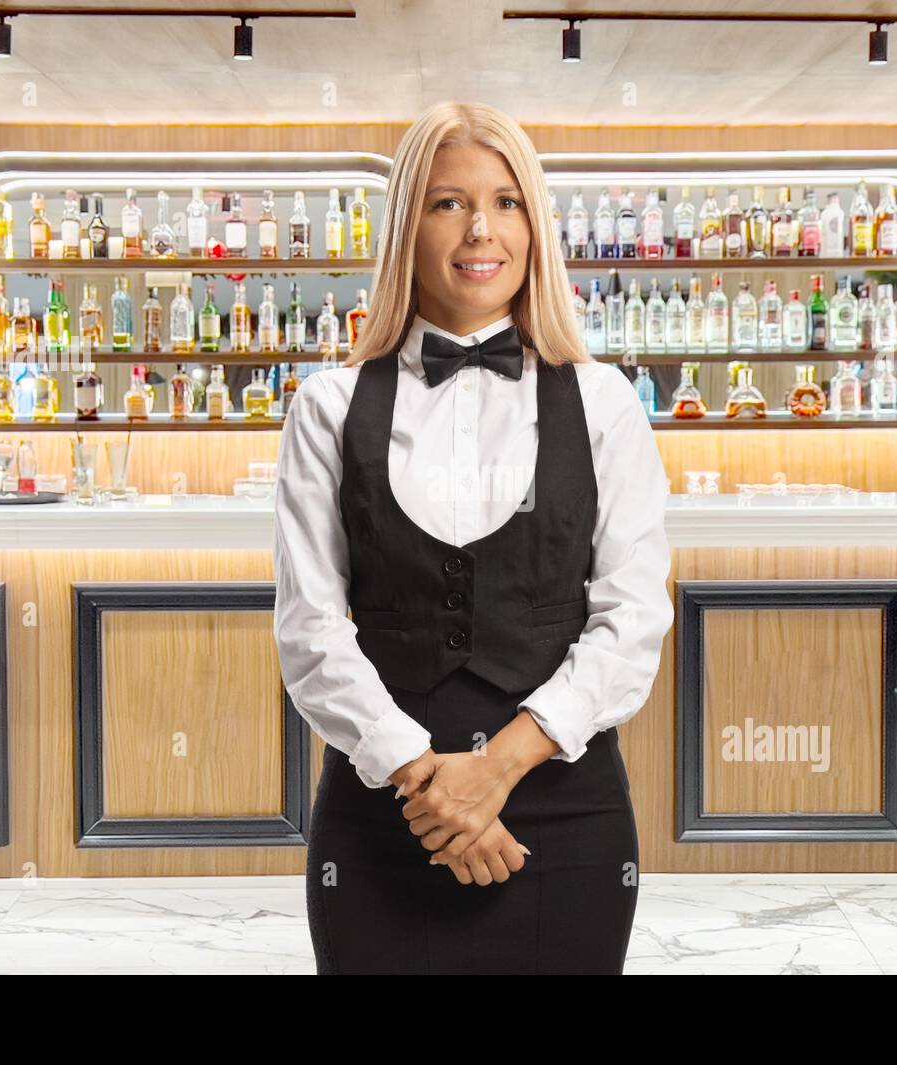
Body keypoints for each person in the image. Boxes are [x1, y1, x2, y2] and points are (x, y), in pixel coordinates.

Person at [273, 101, 673, 974]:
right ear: (405, 228)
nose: (480, 229)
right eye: (448, 202)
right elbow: (310, 633)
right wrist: (425, 779)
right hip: (385, 811)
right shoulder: (326, 408)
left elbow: (632, 619)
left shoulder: (605, 402)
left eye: (507, 201)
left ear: (536, 225)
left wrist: (496, 770)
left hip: (564, 808)